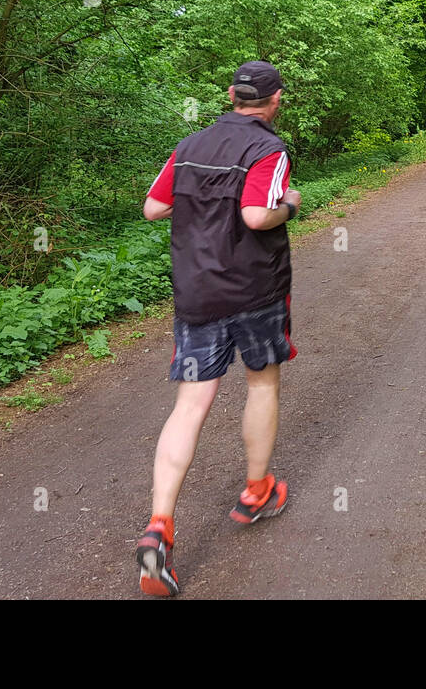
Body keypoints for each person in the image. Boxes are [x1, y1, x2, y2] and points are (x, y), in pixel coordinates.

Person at [134, 61, 301, 597]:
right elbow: (257, 215)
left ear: (231, 95)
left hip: (197, 292)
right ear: (275, 101)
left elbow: (153, 207)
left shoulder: (190, 144)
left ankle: (158, 530)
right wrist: (290, 205)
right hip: (254, 290)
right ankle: (256, 491)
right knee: (261, 383)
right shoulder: (268, 150)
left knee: (190, 404)